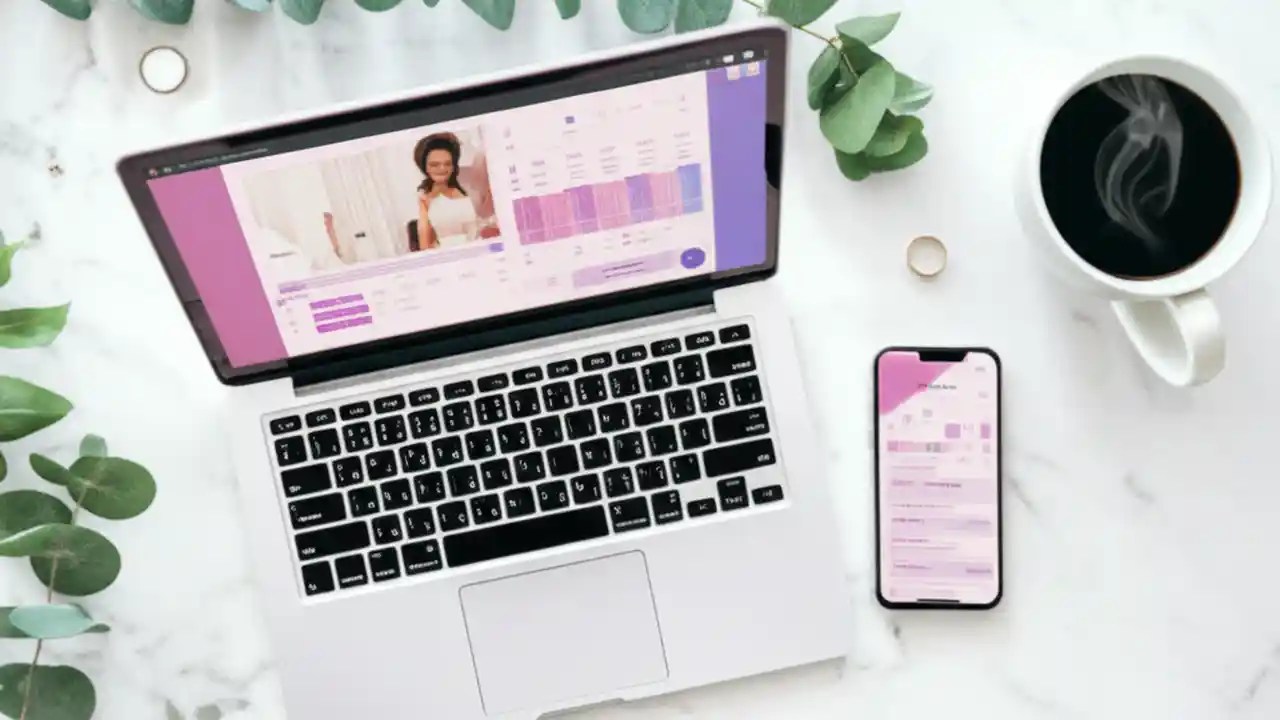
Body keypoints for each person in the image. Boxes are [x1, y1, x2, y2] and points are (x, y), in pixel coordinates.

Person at [413, 132, 479, 249]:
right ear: (425, 167)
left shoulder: (468, 186)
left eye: (447, 164)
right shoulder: (424, 198)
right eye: (435, 165)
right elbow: (425, 245)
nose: (442, 169)